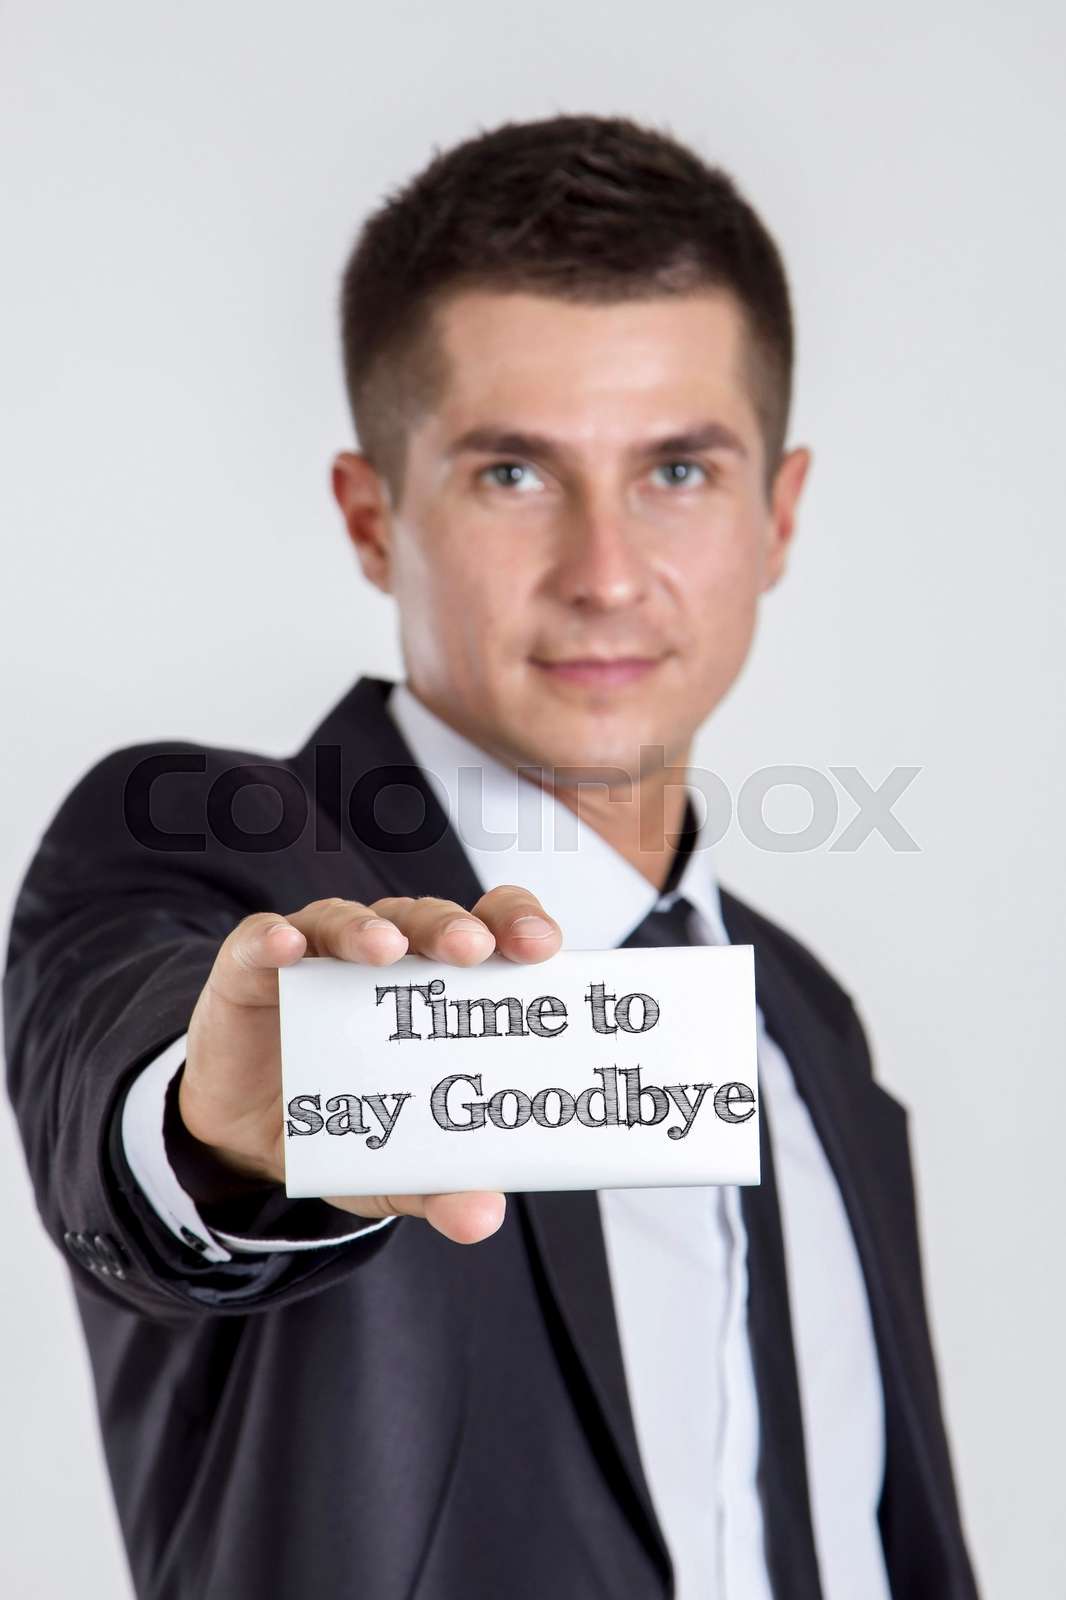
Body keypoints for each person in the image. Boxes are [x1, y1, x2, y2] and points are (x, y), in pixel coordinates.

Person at [3, 114, 978, 1600]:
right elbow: (127, 1109)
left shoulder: (806, 1018)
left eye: (677, 471)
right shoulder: (211, 860)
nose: (602, 571)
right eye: (512, 474)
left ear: (776, 517)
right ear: (371, 513)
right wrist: (222, 1129)